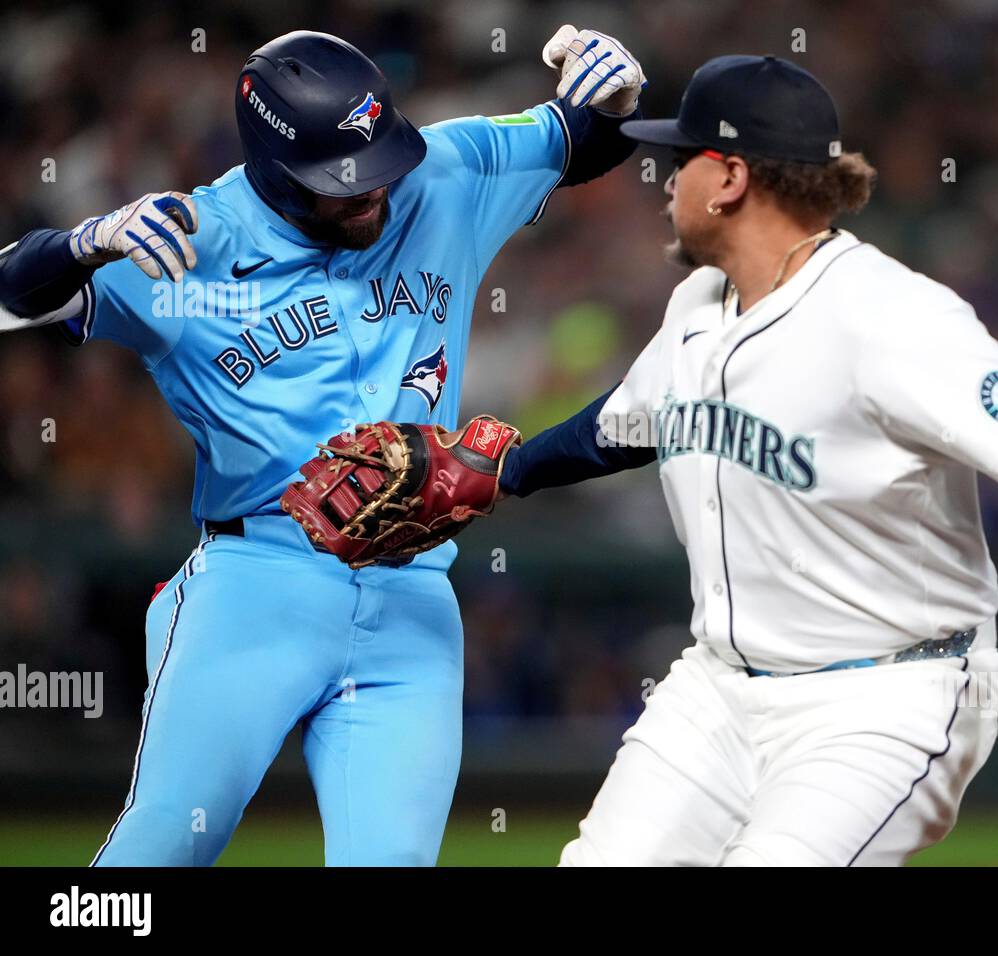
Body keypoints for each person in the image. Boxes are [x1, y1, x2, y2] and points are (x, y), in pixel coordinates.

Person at [491, 55, 998, 866]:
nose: (664, 182)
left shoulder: (889, 317)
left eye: (678, 160)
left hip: (884, 695)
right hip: (715, 690)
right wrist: (500, 471)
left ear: (729, 177)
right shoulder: (697, 304)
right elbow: (620, 426)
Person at [0, 25, 646, 866]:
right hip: (253, 587)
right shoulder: (188, 243)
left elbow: (577, 139)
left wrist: (615, 97)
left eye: (379, 166)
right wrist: (80, 245)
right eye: (344, 184)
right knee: (161, 850)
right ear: (274, 168)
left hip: (411, 597)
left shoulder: (442, 175)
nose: (373, 195)